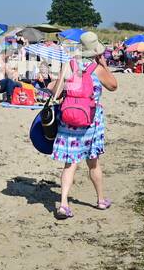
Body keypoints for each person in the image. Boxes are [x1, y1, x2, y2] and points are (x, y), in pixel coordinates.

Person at [49, 32, 117, 220]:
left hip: (68, 120)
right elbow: (113, 86)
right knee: (93, 162)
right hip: (90, 122)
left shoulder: (69, 65)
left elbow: (53, 90)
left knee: (70, 164)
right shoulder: (97, 68)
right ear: (96, 51)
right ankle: (101, 200)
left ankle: (63, 204)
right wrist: (104, 66)